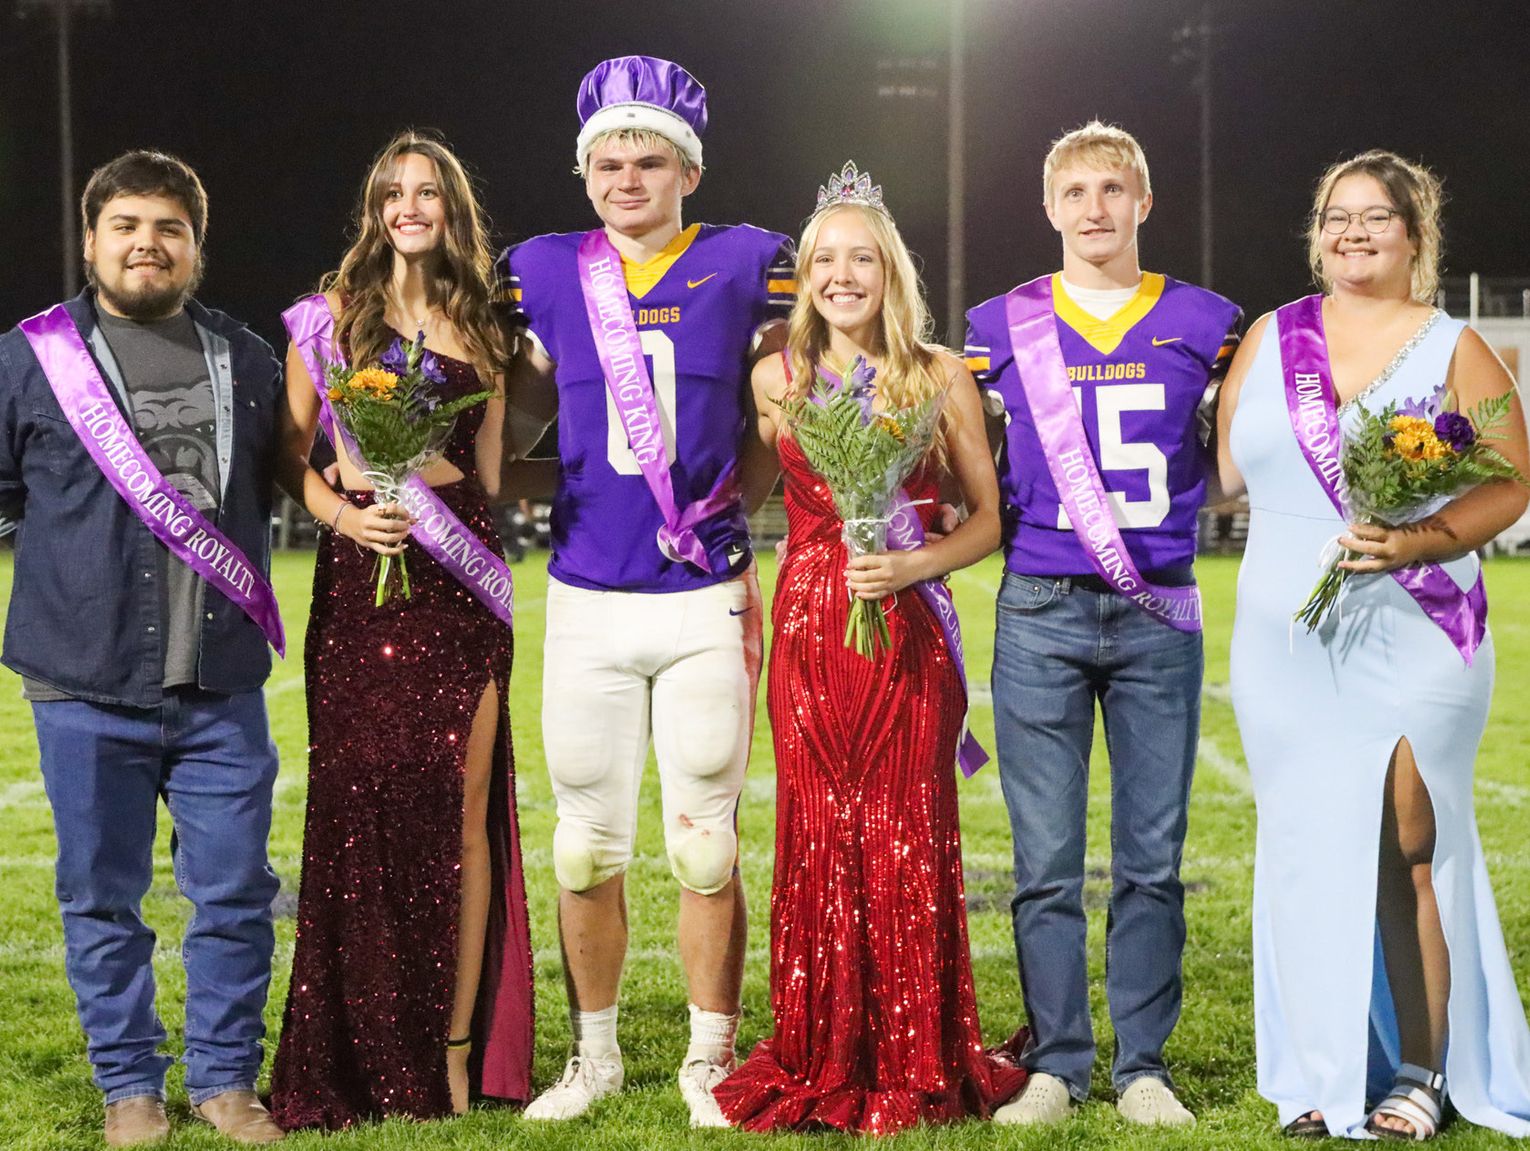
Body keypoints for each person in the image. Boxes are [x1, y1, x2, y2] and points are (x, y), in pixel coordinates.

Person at [500, 55, 794, 1126]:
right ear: (586, 176)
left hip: (701, 593)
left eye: (650, 158)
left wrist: (739, 500)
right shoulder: (541, 267)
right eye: (610, 161)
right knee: (582, 839)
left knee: (704, 838)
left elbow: (782, 411)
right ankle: (595, 1053)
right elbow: (511, 425)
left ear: (691, 170)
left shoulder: (747, 260)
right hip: (585, 592)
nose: (628, 177)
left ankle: (710, 1054)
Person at [1216, 149, 1530, 1140]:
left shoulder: (1455, 347)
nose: (1354, 233)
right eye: (1337, 217)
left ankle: (1424, 1067)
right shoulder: (1271, 335)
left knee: (1408, 837)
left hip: (1418, 623)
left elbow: (1511, 480)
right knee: (1306, 842)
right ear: (1319, 234)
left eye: (1376, 218)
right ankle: (1319, 1069)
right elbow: (1231, 472)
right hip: (1285, 641)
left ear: (1412, 234)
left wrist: (1412, 539)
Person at [712, 165, 1025, 1135]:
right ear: (803, 275)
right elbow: (741, 491)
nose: (842, 275)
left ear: (891, 272)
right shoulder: (776, 374)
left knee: (901, 829)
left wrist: (913, 559)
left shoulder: (938, 375)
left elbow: (990, 518)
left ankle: (913, 1048)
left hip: (904, 627)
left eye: (861, 258)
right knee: (818, 828)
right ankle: (819, 1044)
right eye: (824, 260)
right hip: (811, 623)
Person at [0, 150, 286, 1146]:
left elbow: (291, 482)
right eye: (125, 224)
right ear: (91, 239)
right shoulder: (29, 357)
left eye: (168, 227)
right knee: (101, 898)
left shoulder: (248, 358)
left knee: (238, 892)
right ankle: (130, 1085)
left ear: (196, 246)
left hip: (219, 685)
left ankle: (224, 1081)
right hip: (82, 678)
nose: (145, 243)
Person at [964, 121, 1242, 1126]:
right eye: (1076, 190)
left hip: (1156, 608)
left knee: (1151, 855)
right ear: (1050, 207)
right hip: (1038, 607)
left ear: (1143, 202)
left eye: (1113, 188)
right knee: (1041, 861)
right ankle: (1058, 1060)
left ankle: (1146, 1065)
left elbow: (1236, 463)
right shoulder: (998, 324)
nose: (1094, 207)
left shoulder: (1207, 320)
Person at [268, 131, 532, 1128]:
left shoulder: (488, 333)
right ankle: (357, 1048)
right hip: (361, 583)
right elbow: (290, 457)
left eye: (427, 191)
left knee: (462, 823)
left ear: (450, 211)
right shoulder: (325, 320)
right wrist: (346, 513)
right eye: (393, 190)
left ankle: (452, 1052)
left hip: (459, 594)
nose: (409, 205)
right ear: (375, 208)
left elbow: (497, 481)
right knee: (357, 817)